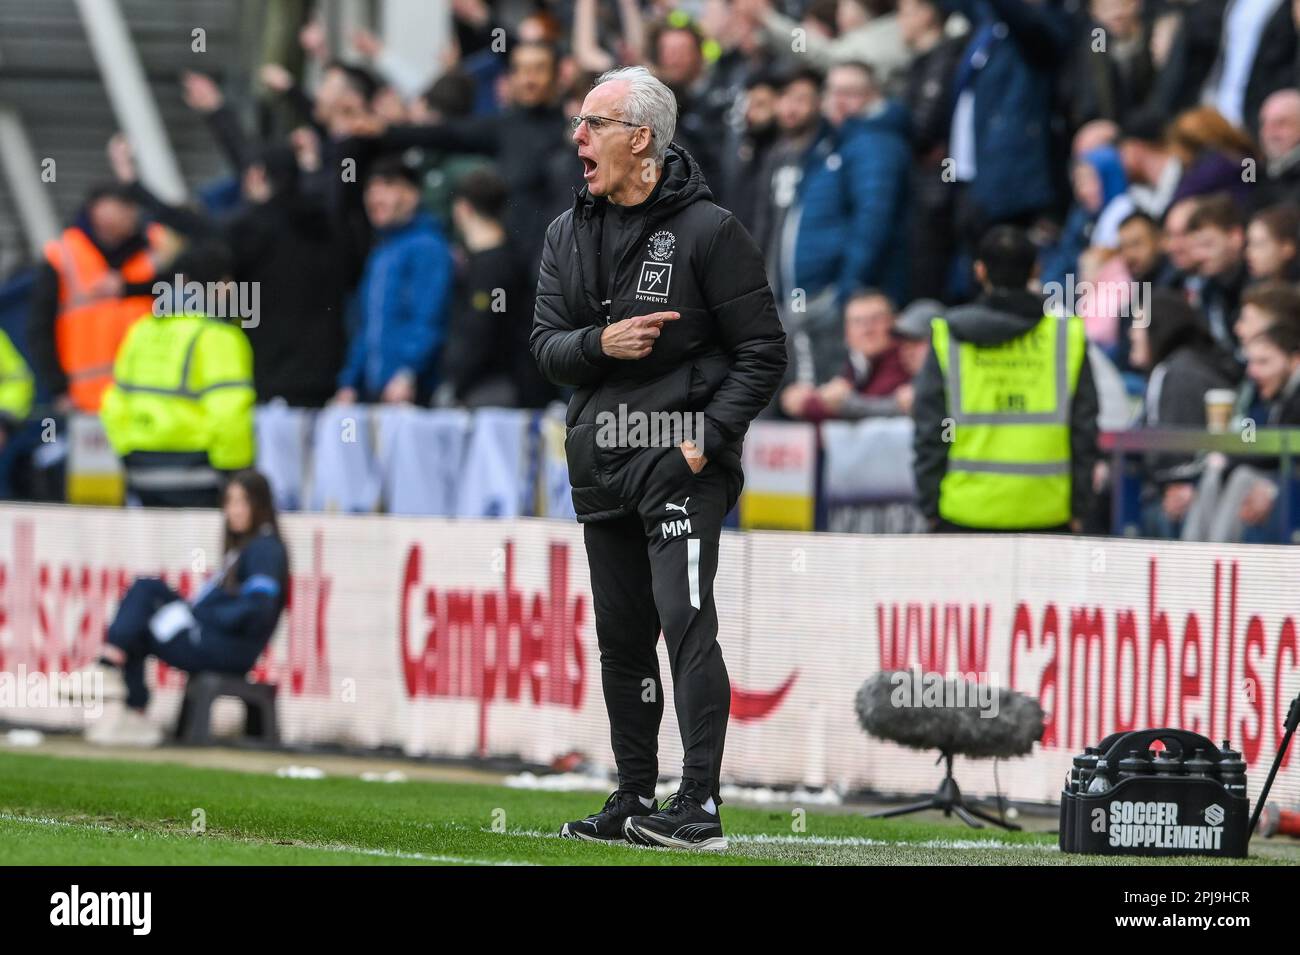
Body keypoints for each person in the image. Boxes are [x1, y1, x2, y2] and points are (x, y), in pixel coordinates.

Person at [531, 65, 786, 849]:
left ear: (641, 139)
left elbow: (764, 350)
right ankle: (633, 794)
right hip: (601, 462)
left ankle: (700, 804)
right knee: (621, 637)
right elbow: (544, 349)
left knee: (686, 621)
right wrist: (598, 342)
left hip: (679, 462)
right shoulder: (564, 232)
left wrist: (708, 436)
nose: (578, 139)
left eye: (593, 124)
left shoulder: (712, 231)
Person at [71, 470, 289, 747]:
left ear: (260, 505)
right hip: (210, 636)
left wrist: (202, 617)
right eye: (230, 502)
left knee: (146, 591)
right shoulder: (244, 547)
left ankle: (109, 670)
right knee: (141, 610)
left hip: (226, 648)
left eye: (242, 502)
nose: (233, 510)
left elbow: (258, 609)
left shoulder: (265, 548)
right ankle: (131, 708)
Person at [912, 226, 1100, 532]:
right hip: (1048, 515)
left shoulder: (948, 336)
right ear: (1036, 270)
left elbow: (930, 430)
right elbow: (1084, 430)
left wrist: (929, 505)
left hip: (964, 513)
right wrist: (1079, 506)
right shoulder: (1067, 335)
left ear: (979, 271)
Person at [100, 242, 255, 507]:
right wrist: (236, 475)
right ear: (222, 285)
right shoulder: (218, 337)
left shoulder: (142, 330)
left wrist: (129, 454)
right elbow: (229, 412)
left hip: (141, 473)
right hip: (199, 476)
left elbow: (114, 404)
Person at [28, 184, 168, 413]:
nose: (133, 214)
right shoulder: (62, 256)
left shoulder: (155, 247)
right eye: (124, 207)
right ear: (99, 210)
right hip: (91, 403)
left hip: (155, 394)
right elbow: (40, 328)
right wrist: (58, 389)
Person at [334, 155, 454, 405]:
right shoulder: (381, 253)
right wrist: (349, 382)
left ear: (412, 195)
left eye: (386, 188)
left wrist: (407, 373)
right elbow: (367, 327)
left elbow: (430, 318)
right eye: (370, 190)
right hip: (378, 392)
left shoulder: (428, 247)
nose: (375, 199)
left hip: (415, 393)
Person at [1128, 288, 1243, 536]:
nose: (1131, 334)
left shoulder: (1181, 374)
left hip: (1183, 503)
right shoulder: (1177, 367)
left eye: (1137, 324)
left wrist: (1185, 485)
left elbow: (1178, 455)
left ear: (1160, 326)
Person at [1182, 320, 1300, 542]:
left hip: (1288, 484)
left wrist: (1273, 487)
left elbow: (1278, 453)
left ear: (1295, 361)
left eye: (1264, 362)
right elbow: (1249, 440)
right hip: (1272, 475)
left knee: (1242, 478)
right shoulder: (1260, 393)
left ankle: (1221, 557)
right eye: (1251, 363)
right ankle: (1194, 557)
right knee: (1215, 472)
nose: (1253, 371)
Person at [780, 289, 912, 421]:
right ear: (847, 332)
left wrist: (809, 403)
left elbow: (866, 403)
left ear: (894, 322)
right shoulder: (853, 363)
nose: (867, 330)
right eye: (857, 322)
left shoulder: (904, 357)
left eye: (876, 319)